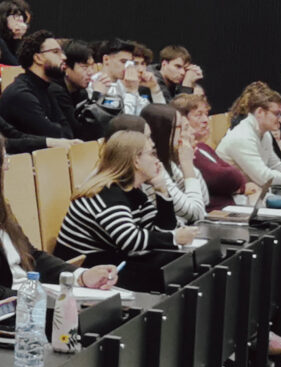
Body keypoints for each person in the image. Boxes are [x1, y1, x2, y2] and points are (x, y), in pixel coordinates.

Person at [0, 125, 119, 306]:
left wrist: (81, 276)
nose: (7, 167)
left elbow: (32, 256)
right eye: (3, 159)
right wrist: (54, 302)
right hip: (14, 312)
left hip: (32, 298)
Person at [54, 131, 197, 270]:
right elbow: (129, 239)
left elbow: (159, 229)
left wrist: (161, 189)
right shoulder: (108, 192)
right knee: (177, 266)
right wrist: (174, 238)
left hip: (109, 262)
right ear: (136, 161)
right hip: (81, 270)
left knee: (182, 261)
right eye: (152, 154)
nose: (157, 160)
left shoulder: (132, 190)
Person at [214, 85, 281, 193]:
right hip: (231, 198)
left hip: (250, 194)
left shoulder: (265, 134)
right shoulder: (242, 136)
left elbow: (276, 166)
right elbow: (263, 178)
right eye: (277, 114)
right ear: (259, 112)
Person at [0, 28, 75, 139]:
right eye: (55, 52)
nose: (64, 57)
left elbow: (68, 132)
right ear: (38, 58)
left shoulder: (47, 88)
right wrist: (59, 130)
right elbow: (51, 135)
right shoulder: (21, 94)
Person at [141, 102, 210, 224]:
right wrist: (187, 164)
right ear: (165, 132)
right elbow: (196, 213)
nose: (186, 134)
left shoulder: (170, 162)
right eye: (180, 128)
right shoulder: (153, 168)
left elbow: (204, 201)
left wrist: (187, 164)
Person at [177, 92, 246, 209]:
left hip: (228, 208)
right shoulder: (187, 152)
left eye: (206, 114)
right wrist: (238, 184)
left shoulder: (204, 147)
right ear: (182, 120)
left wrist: (239, 183)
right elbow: (227, 177)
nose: (206, 120)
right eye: (198, 115)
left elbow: (235, 175)